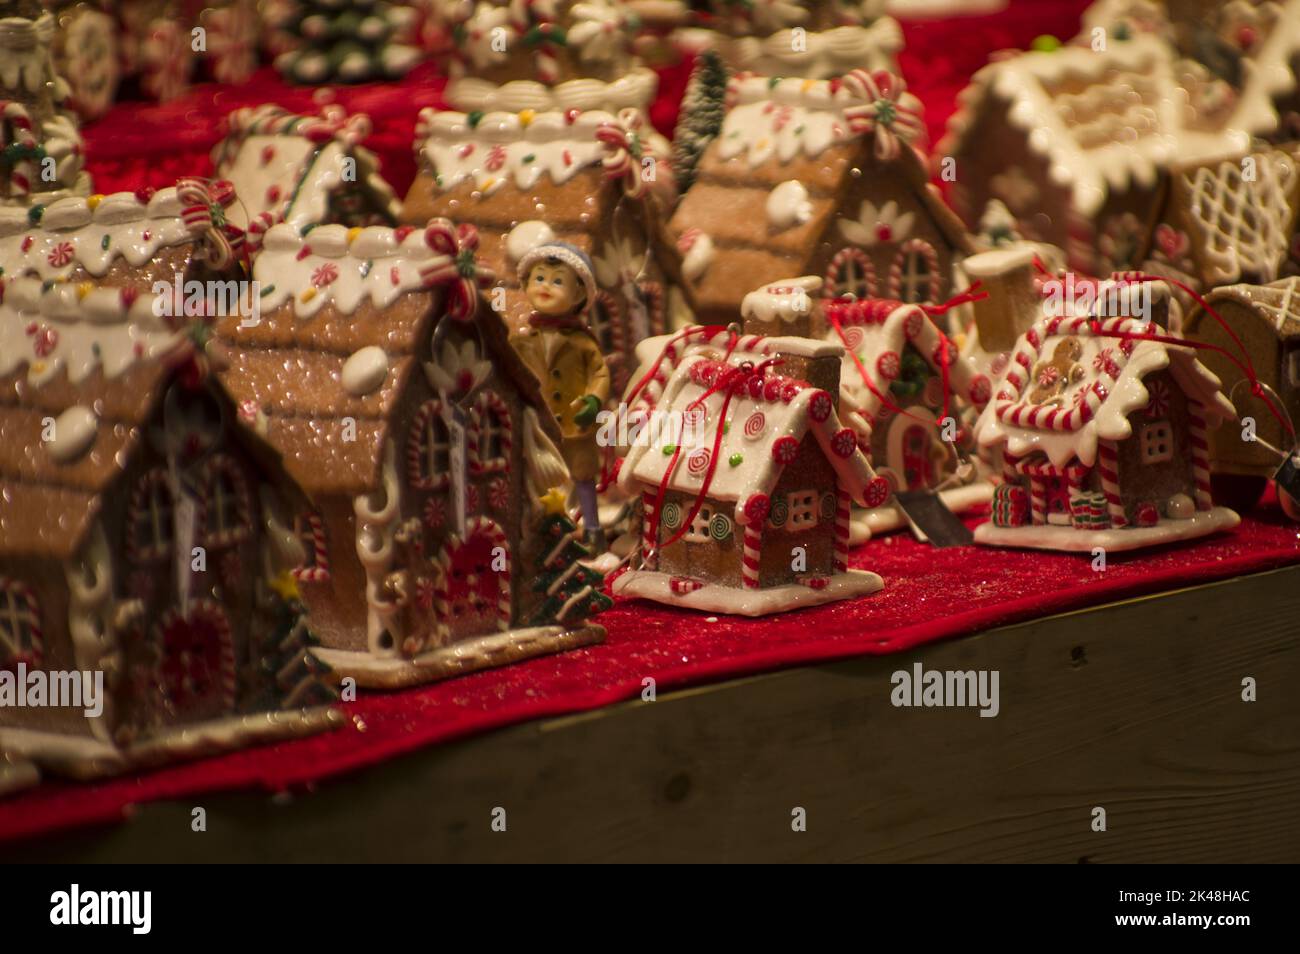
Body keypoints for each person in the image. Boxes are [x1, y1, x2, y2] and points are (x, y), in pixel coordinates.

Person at [512, 243, 611, 550]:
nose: (546, 287)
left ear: (579, 295)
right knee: (538, 477)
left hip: (574, 425)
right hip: (537, 427)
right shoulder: (520, 341)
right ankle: (543, 528)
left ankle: (592, 529)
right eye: (539, 278)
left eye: (557, 281)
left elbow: (600, 374)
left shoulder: (583, 343)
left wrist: (594, 400)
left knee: (582, 475)